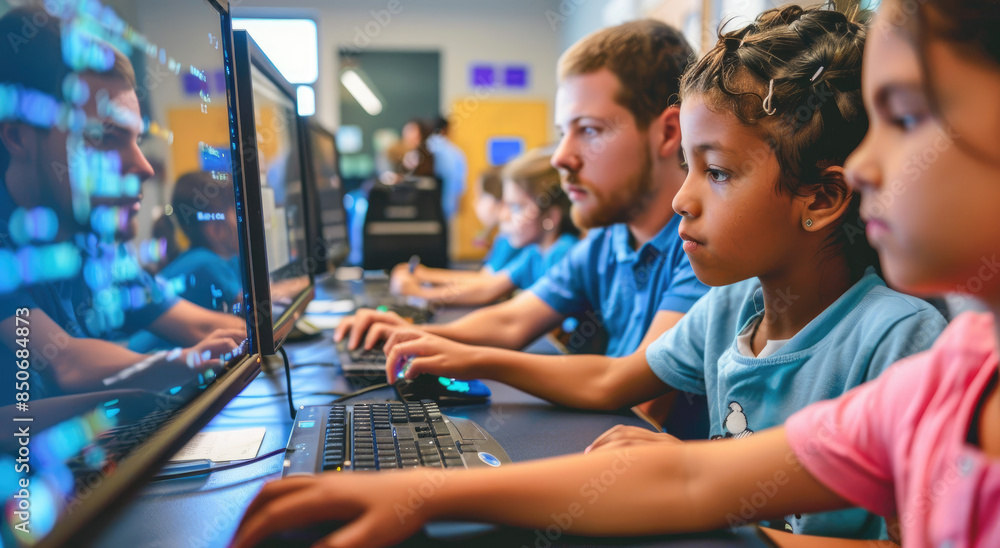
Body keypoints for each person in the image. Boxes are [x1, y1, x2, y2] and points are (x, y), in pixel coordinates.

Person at [233, 1, 1000, 546]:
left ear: (820, 197)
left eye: (906, 118)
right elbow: (686, 479)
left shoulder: (906, 345)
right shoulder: (946, 383)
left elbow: (695, 480)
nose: (682, 200)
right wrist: (425, 487)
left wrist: (710, 493)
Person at [335, 22, 710, 422]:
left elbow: (636, 396)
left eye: (589, 130)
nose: (560, 157)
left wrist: (475, 359)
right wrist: (412, 333)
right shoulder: (609, 241)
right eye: (563, 132)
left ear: (669, 133)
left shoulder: (704, 251)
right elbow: (513, 319)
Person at [0, 7, 244, 397]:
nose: (144, 166)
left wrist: (268, 334)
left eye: (135, 139)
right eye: (104, 137)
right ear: (17, 136)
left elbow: (199, 326)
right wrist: (185, 363)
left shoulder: (96, 243)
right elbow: (67, 362)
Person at [389, 148, 579, 306]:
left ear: (551, 217)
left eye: (516, 207)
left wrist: (420, 291)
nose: (505, 214)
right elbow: (488, 288)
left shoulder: (563, 254)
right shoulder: (533, 254)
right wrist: (421, 286)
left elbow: (507, 308)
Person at [129, 172, 244, 352]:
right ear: (215, 229)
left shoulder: (223, 260)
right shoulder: (207, 263)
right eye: (237, 209)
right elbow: (253, 313)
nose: (243, 218)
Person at [427, 115, 468, 223]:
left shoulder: (423, 150)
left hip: (424, 206)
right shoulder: (456, 154)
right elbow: (460, 187)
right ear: (446, 130)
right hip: (446, 209)